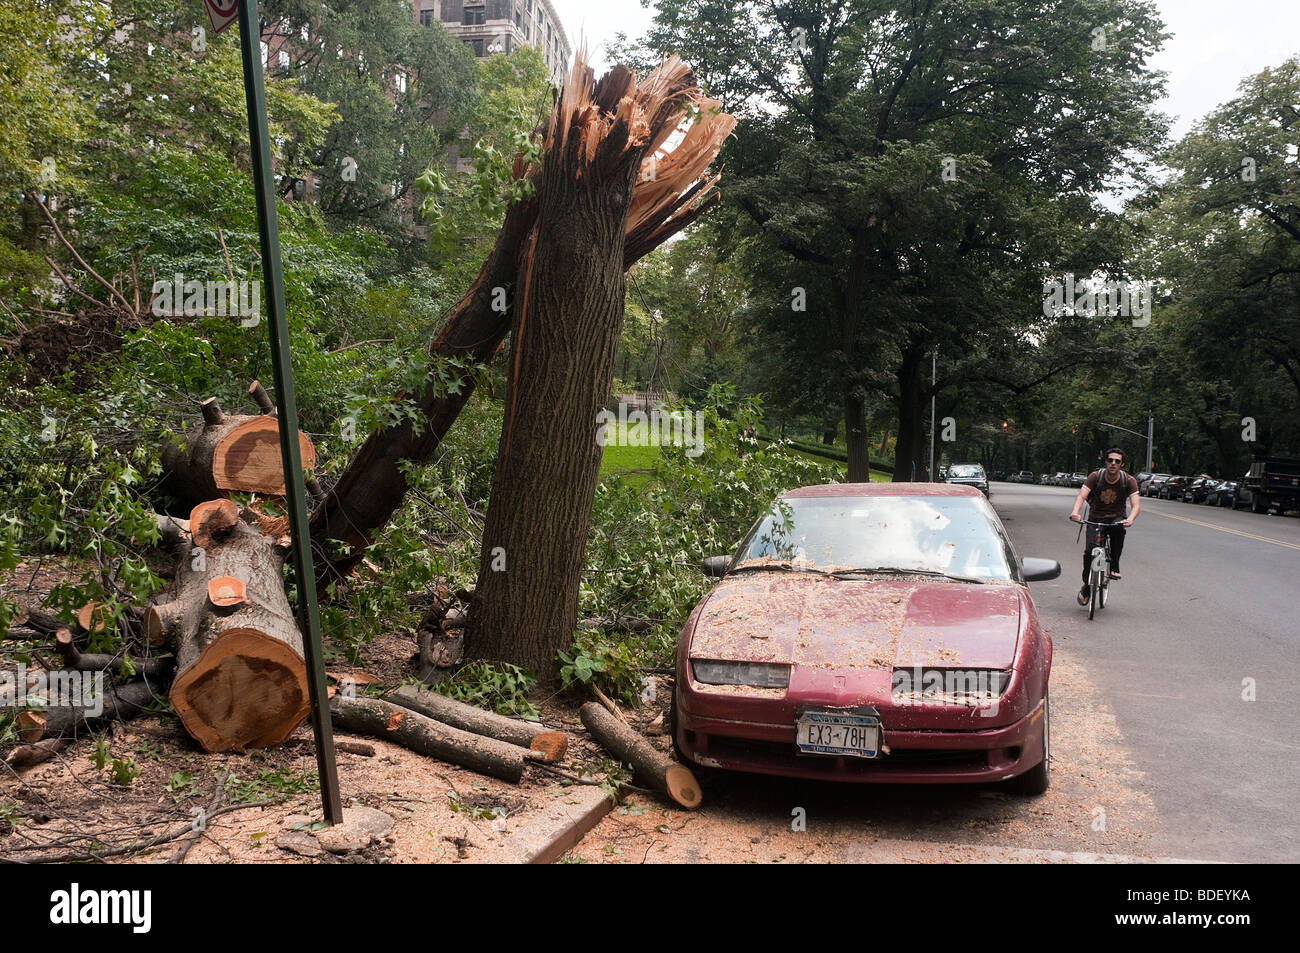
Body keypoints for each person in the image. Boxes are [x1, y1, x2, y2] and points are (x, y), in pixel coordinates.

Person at [1069, 447, 1140, 606]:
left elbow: (1136, 505)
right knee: (1089, 554)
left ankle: (1114, 566)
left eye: (1117, 461)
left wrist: (1131, 518)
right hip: (1096, 517)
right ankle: (1087, 586)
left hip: (1116, 518)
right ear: (1105, 462)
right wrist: (1075, 512)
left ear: (1122, 464)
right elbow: (1082, 495)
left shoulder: (1128, 480)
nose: (1113, 464)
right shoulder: (1095, 477)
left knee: (1119, 530)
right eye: (1110, 460)